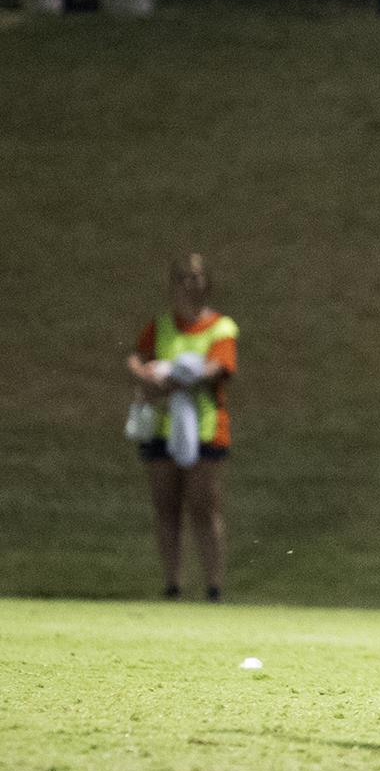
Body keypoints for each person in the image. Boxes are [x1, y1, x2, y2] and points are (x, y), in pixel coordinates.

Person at [125, 254, 239, 603]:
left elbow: (220, 367)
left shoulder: (221, 327)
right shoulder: (160, 326)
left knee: (204, 506)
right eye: (183, 278)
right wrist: (146, 376)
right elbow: (137, 357)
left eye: (196, 277)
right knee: (166, 506)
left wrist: (181, 377)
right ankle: (172, 584)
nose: (189, 284)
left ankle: (214, 586)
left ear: (207, 282)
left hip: (204, 426)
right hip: (163, 424)